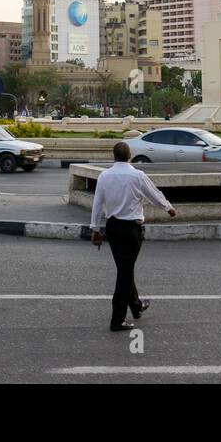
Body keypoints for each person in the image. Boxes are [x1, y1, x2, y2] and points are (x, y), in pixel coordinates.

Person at [90, 141, 177, 332]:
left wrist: (95, 230)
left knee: (125, 268)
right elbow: (154, 194)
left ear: (114, 156)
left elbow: (97, 203)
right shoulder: (138, 175)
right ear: (130, 156)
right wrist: (168, 208)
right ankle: (117, 320)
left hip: (113, 228)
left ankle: (136, 307)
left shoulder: (104, 176)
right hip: (131, 230)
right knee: (125, 272)